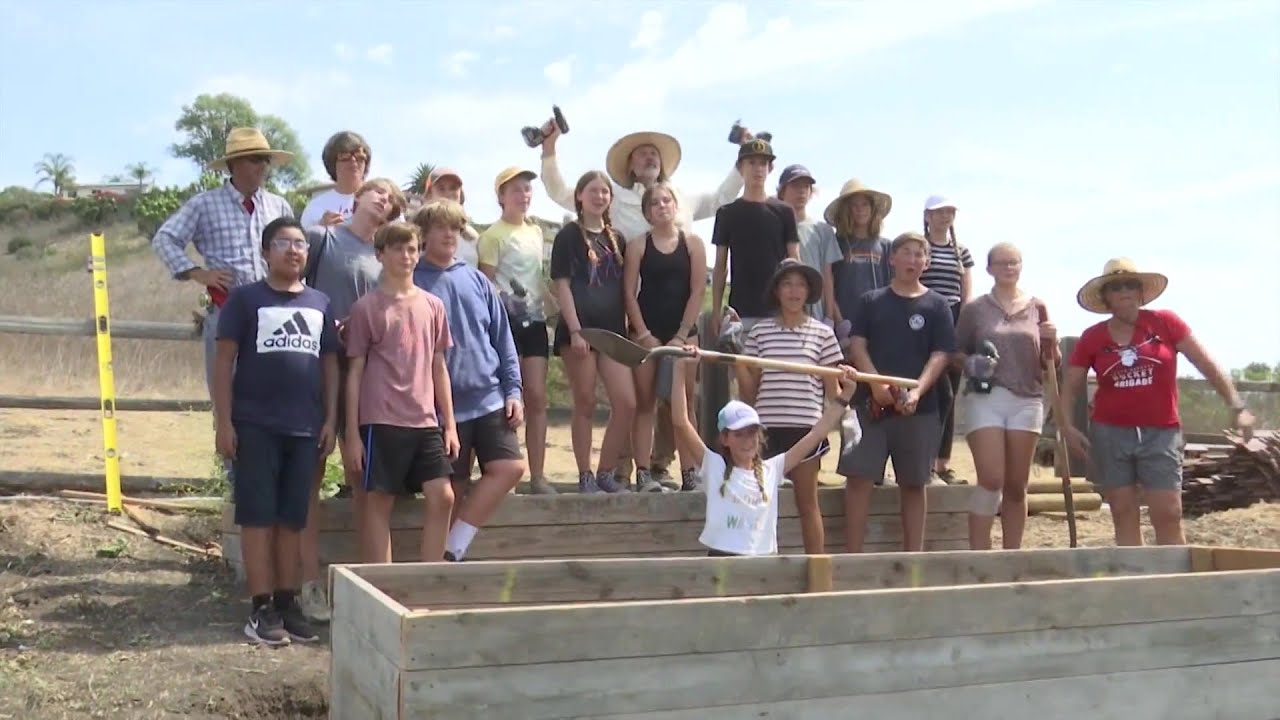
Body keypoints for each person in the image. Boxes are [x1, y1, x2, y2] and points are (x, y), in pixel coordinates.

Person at [535, 123, 753, 487]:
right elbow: (562, 191)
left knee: (679, 401)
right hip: (632, 313)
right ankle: (624, 470)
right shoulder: (614, 199)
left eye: (654, 153)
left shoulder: (682, 198)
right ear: (630, 167)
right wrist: (549, 151)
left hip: (680, 317)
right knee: (637, 400)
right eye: (641, 154)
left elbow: (721, 197)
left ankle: (670, 466)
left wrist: (742, 154)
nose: (649, 158)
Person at [1060, 258, 1255, 547]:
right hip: (1111, 432)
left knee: (1168, 511)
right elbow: (1071, 387)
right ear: (1106, 297)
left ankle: (1174, 582)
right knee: (1123, 512)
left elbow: (1206, 364)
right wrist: (1066, 427)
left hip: (1161, 431)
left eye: (1130, 284)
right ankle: (1134, 581)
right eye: (1116, 286)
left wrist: (1237, 406)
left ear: (1140, 292)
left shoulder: (1165, 322)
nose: (1124, 291)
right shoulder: (1093, 337)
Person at [212, 217, 339, 645]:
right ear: (266, 252)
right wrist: (223, 423)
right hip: (254, 427)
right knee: (257, 518)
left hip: (305, 430)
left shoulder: (321, 302)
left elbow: (329, 365)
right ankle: (260, 608)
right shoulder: (245, 300)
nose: (293, 249)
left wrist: (331, 419)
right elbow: (223, 361)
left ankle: (288, 602)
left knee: (293, 519)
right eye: (283, 242)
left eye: (300, 243)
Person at [151, 128, 294, 483]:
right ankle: (236, 484)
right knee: (228, 396)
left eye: (265, 159)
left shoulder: (278, 205)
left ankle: (273, 475)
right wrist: (198, 273)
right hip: (229, 311)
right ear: (234, 164)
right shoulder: (204, 204)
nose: (262, 166)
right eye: (255, 159)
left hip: (274, 315)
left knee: (276, 395)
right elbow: (165, 239)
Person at [294, 177, 404, 622]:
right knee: (312, 474)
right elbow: (295, 292)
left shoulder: (387, 255)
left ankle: (365, 586)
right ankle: (308, 583)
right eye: (378, 192)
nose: (383, 199)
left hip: (369, 373)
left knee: (363, 475)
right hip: (320, 368)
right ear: (357, 198)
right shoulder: (323, 239)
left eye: (392, 200)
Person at [412, 200, 526, 561]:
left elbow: (503, 339)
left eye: (455, 228)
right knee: (453, 490)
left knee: (510, 467)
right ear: (424, 233)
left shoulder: (477, 279)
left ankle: (454, 547)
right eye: (441, 227)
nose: (449, 235)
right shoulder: (413, 280)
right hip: (443, 410)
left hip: (490, 398)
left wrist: (514, 391)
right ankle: (434, 579)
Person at [668, 350, 859, 557]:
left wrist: (846, 395)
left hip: (763, 563)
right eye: (739, 434)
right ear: (725, 439)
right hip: (722, 562)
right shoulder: (714, 465)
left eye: (752, 433)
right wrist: (680, 369)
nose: (747, 441)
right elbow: (680, 422)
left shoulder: (772, 469)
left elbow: (817, 433)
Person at [343, 223, 458, 563]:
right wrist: (352, 434)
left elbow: (439, 367)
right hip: (381, 419)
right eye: (397, 249)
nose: (406, 256)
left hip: (424, 421)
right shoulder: (366, 308)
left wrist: (449, 423)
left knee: (444, 496)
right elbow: (354, 372)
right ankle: (383, 587)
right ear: (380, 255)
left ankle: (428, 578)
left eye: (411, 249)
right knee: (378, 501)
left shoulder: (434, 305)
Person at [842, 232, 957, 553]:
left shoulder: (937, 305)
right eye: (906, 253)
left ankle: (913, 560)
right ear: (892, 259)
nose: (912, 260)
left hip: (920, 409)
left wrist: (918, 391)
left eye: (919, 254)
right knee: (858, 480)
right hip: (870, 407)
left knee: (914, 483)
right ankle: (852, 557)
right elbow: (857, 344)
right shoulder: (871, 300)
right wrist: (876, 385)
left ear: (927, 262)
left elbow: (942, 354)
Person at [954, 243, 1059, 550]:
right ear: (989, 269)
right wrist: (970, 363)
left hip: (1027, 398)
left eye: (1014, 262)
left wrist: (1052, 343)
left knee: (1016, 485)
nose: (1008, 268)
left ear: (1021, 266)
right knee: (991, 478)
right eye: (1001, 263)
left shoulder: (1038, 307)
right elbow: (955, 351)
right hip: (986, 396)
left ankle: (1012, 553)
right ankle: (979, 554)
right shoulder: (975, 309)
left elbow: (1051, 362)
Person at [739, 259, 845, 553]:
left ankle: (817, 570)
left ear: (809, 291)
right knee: (758, 502)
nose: (794, 291)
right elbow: (750, 391)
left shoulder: (823, 334)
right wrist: (737, 361)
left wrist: (845, 390)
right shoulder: (760, 332)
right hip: (766, 430)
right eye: (787, 284)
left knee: (807, 502)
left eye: (800, 284)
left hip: (805, 431)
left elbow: (832, 392)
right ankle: (757, 566)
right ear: (777, 291)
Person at [550, 171, 635, 494]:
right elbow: (563, 285)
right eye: (593, 191)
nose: (600, 197)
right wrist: (575, 331)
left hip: (613, 331)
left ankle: (605, 471)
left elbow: (625, 288)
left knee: (626, 402)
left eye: (605, 192)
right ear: (580, 196)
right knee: (584, 401)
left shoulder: (617, 239)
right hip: (580, 331)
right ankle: (585, 474)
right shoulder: (568, 236)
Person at [622, 181, 707, 493]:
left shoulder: (693, 243)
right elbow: (629, 293)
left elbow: (699, 289)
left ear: (675, 205)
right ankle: (643, 473)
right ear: (646, 213)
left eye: (666, 201)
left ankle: (690, 472)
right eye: (654, 203)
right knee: (645, 403)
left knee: (683, 405)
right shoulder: (638, 245)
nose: (661, 206)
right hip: (646, 334)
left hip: (683, 335)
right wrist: (643, 334)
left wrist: (682, 334)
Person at [478, 167, 556, 495]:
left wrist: (556, 309)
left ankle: (537, 476)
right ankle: (503, 474)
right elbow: (486, 283)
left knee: (536, 396)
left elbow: (538, 277)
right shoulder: (492, 236)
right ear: (501, 197)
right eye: (516, 190)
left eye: (527, 190)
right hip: (504, 325)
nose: (523, 196)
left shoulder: (536, 233)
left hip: (535, 323)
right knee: (508, 396)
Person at [709, 139, 801, 340]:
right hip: (740, 311)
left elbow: (794, 261)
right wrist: (716, 309)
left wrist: (798, 305)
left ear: (770, 168)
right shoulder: (727, 213)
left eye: (762, 163)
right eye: (751, 163)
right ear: (740, 168)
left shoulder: (784, 211)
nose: (757, 169)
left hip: (778, 310)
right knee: (739, 371)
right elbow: (720, 266)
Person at [920, 195, 974, 484]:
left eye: (950, 212)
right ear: (927, 215)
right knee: (931, 392)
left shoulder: (961, 251)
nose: (945, 217)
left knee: (949, 396)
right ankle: (924, 460)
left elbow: (966, 291)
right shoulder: (919, 246)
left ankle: (942, 463)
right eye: (940, 212)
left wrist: (961, 327)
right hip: (923, 317)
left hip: (953, 319)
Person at [776, 165, 840, 321]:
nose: (801, 191)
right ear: (782, 190)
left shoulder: (823, 230)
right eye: (796, 186)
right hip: (779, 314)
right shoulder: (772, 227)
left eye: (806, 186)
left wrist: (830, 317)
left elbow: (827, 276)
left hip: (815, 315)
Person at [300, 131, 372, 228]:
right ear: (332, 163)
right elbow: (303, 241)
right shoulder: (315, 207)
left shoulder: (382, 201)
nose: (353, 161)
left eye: (360, 157)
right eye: (345, 156)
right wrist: (320, 230)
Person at [422, 166, 482, 267]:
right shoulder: (417, 235)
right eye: (441, 188)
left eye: (453, 188)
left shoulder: (473, 237)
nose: (448, 194)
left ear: (461, 195)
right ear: (429, 195)